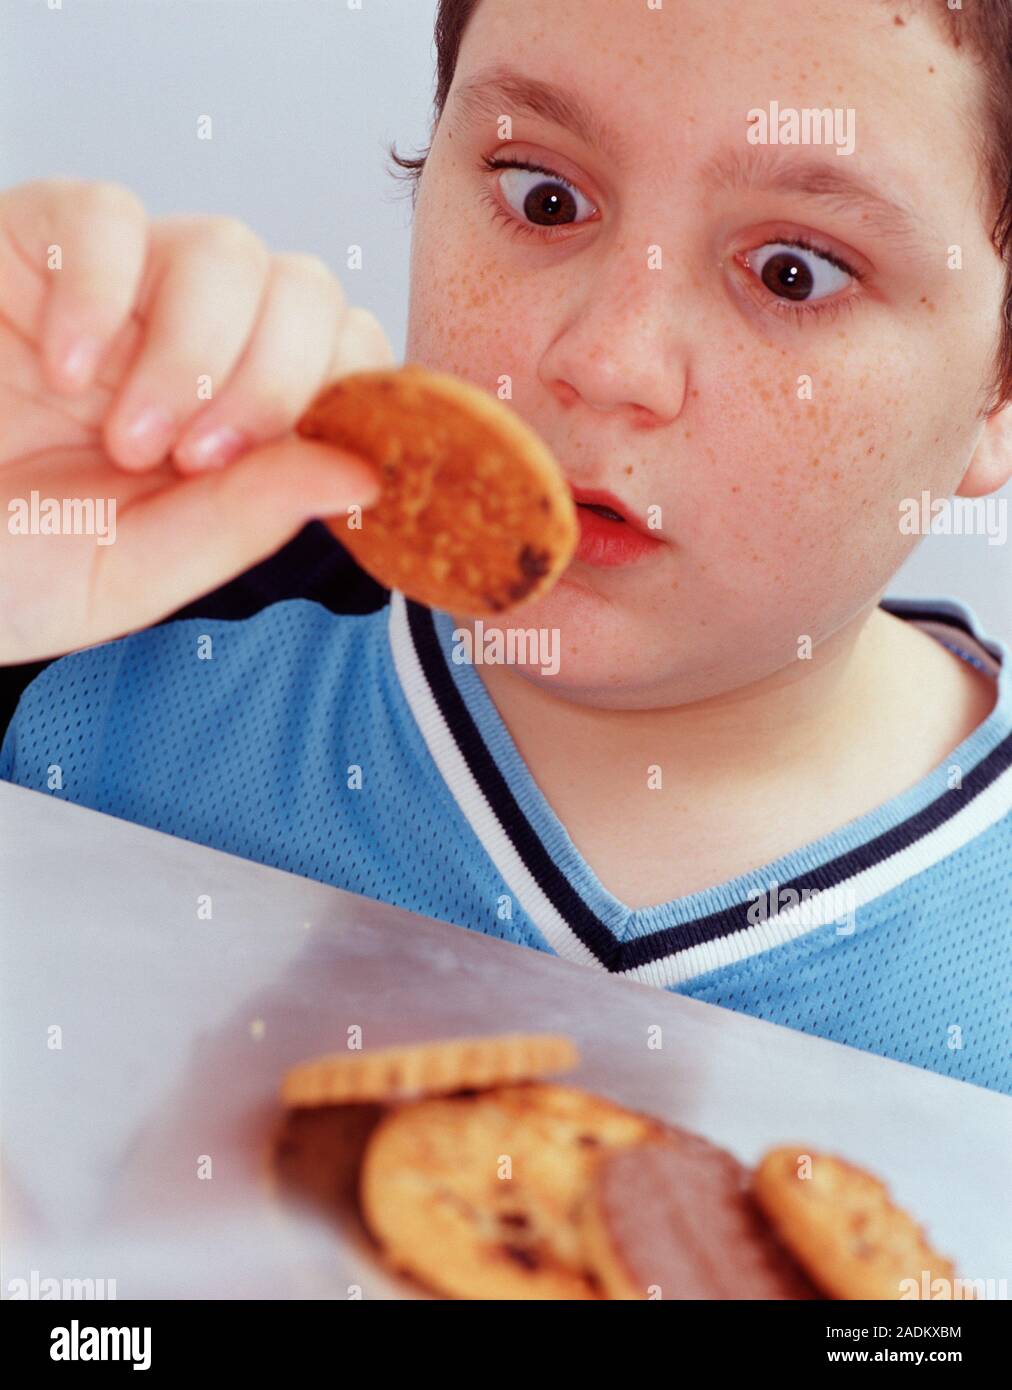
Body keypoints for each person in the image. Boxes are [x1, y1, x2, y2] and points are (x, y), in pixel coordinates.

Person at [2, 0, 1010, 1093]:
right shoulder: (115, 637)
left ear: (998, 388)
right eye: (546, 196)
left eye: (793, 273)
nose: (607, 359)